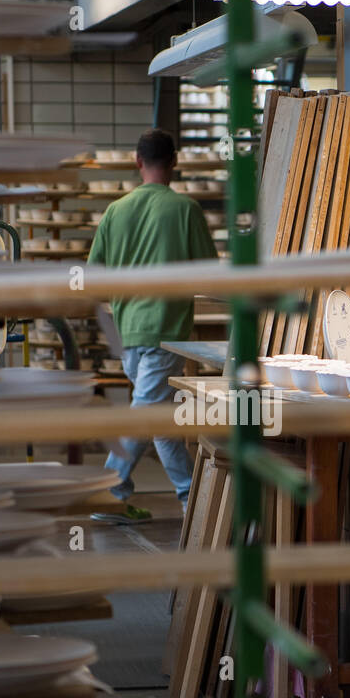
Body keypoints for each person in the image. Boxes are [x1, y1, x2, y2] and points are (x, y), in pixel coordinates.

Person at [87, 129, 217, 524]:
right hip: (164, 331)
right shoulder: (185, 210)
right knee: (146, 415)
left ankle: (187, 497)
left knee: (158, 420)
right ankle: (109, 493)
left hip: (127, 331)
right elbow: (211, 275)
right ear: (174, 162)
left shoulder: (115, 211)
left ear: (137, 161)